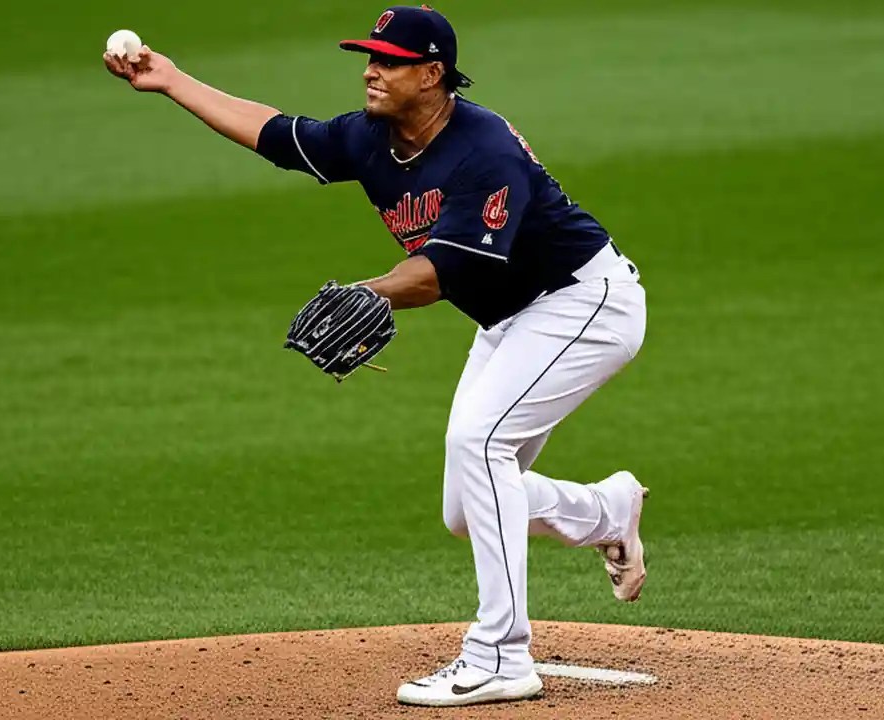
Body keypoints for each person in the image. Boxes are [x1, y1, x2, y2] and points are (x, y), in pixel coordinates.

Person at [104, 4, 650, 708]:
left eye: (388, 61)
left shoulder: (483, 150)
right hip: (513, 316)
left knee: (478, 443)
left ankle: (501, 655)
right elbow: (277, 136)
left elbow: (441, 272)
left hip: (584, 304)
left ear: (432, 74)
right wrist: (173, 80)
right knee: (468, 504)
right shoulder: (372, 137)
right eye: (369, 57)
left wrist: (368, 292)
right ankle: (603, 513)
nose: (371, 70)